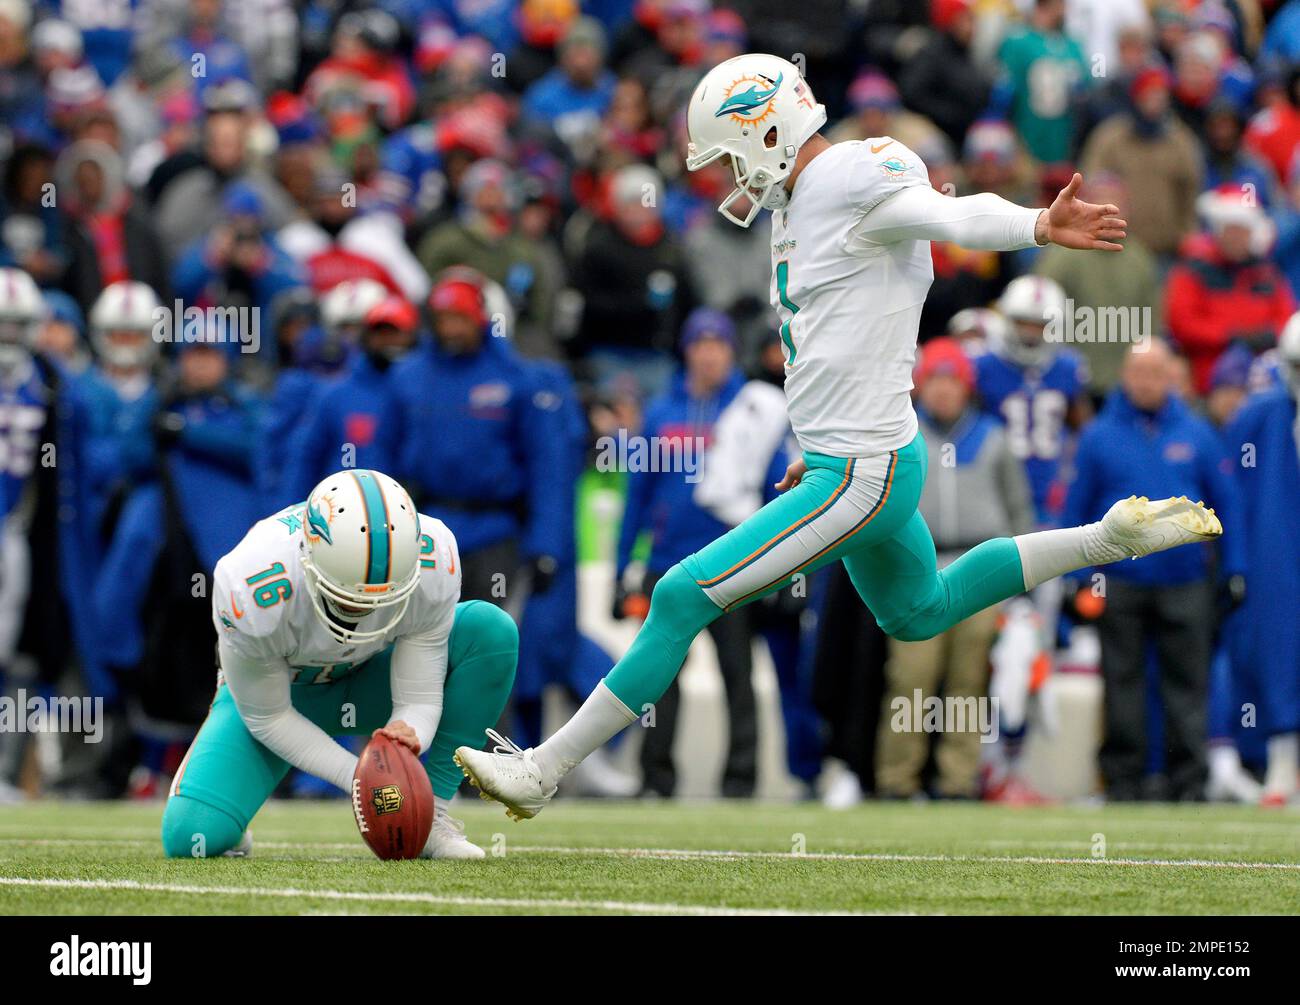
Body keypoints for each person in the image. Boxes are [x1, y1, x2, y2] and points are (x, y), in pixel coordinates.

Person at [454, 55, 1223, 820]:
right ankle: (1104, 538)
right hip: (853, 458)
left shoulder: (858, 173)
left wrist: (1036, 225)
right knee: (918, 610)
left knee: (679, 594)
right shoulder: (800, 202)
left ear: (767, 132)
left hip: (865, 470)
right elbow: (831, 344)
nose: (727, 178)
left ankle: (544, 768)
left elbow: (951, 216)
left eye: (730, 156)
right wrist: (813, 444)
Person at [159, 468, 518, 859]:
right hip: (286, 698)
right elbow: (268, 717)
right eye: (348, 597)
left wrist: (409, 734)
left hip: (372, 679)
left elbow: (419, 695)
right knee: (191, 837)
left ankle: (433, 815)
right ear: (308, 558)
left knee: (491, 632)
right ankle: (229, 818)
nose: (365, 609)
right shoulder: (251, 579)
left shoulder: (435, 552)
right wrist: (368, 780)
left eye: (384, 597)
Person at [1062, 340, 1243, 801]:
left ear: (1172, 377)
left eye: (1155, 373)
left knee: (1187, 687)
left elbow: (1230, 505)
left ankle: (1188, 783)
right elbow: (1075, 509)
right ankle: (1124, 783)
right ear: (1124, 376)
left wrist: (1234, 570)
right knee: (1121, 685)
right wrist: (1073, 578)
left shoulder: (1198, 433)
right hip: (1119, 581)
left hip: (1185, 580)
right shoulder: (1099, 436)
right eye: (1138, 373)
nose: (1146, 383)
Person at [876, 338, 1034, 800]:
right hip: (916, 571)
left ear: (967, 388)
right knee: (910, 679)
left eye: (952, 382)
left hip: (979, 570)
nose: (943, 392)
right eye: (934, 382)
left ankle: (958, 779)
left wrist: (1022, 582)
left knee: (968, 680)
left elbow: (1020, 509)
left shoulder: (994, 438)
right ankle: (896, 779)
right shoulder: (901, 438)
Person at [613, 307, 756, 797]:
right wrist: (620, 569)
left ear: (731, 351)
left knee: (739, 673)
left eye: (719, 344)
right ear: (688, 350)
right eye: (700, 343)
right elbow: (637, 496)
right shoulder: (660, 412)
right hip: (666, 565)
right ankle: (656, 778)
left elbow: (777, 490)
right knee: (657, 679)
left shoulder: (753, 408)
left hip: (735, 563)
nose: (710, 354)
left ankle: (741, 781)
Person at [1223, 314, 1300, 805]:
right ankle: (1281, 766)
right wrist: (1237, 563)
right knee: (1275, 655)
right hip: (1277, 553)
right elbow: (1231, 497)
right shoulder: (1259, 415)